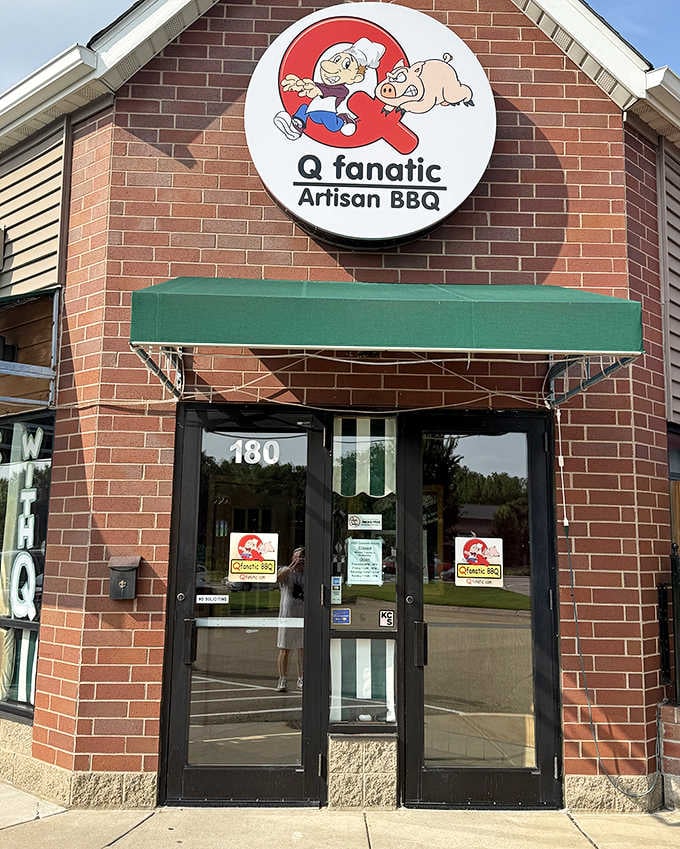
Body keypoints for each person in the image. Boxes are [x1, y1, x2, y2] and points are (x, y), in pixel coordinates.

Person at [275, 546, 305, 692]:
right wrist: (292, 566)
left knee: (303, 649)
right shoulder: (286, 572)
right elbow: (277, 577)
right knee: (284, 649)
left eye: (302, 557)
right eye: (297, 557)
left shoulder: (308, 574)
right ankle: (282, 679)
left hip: (303, 616)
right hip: (287, 617)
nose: (299, 560)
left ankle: (302, 678)